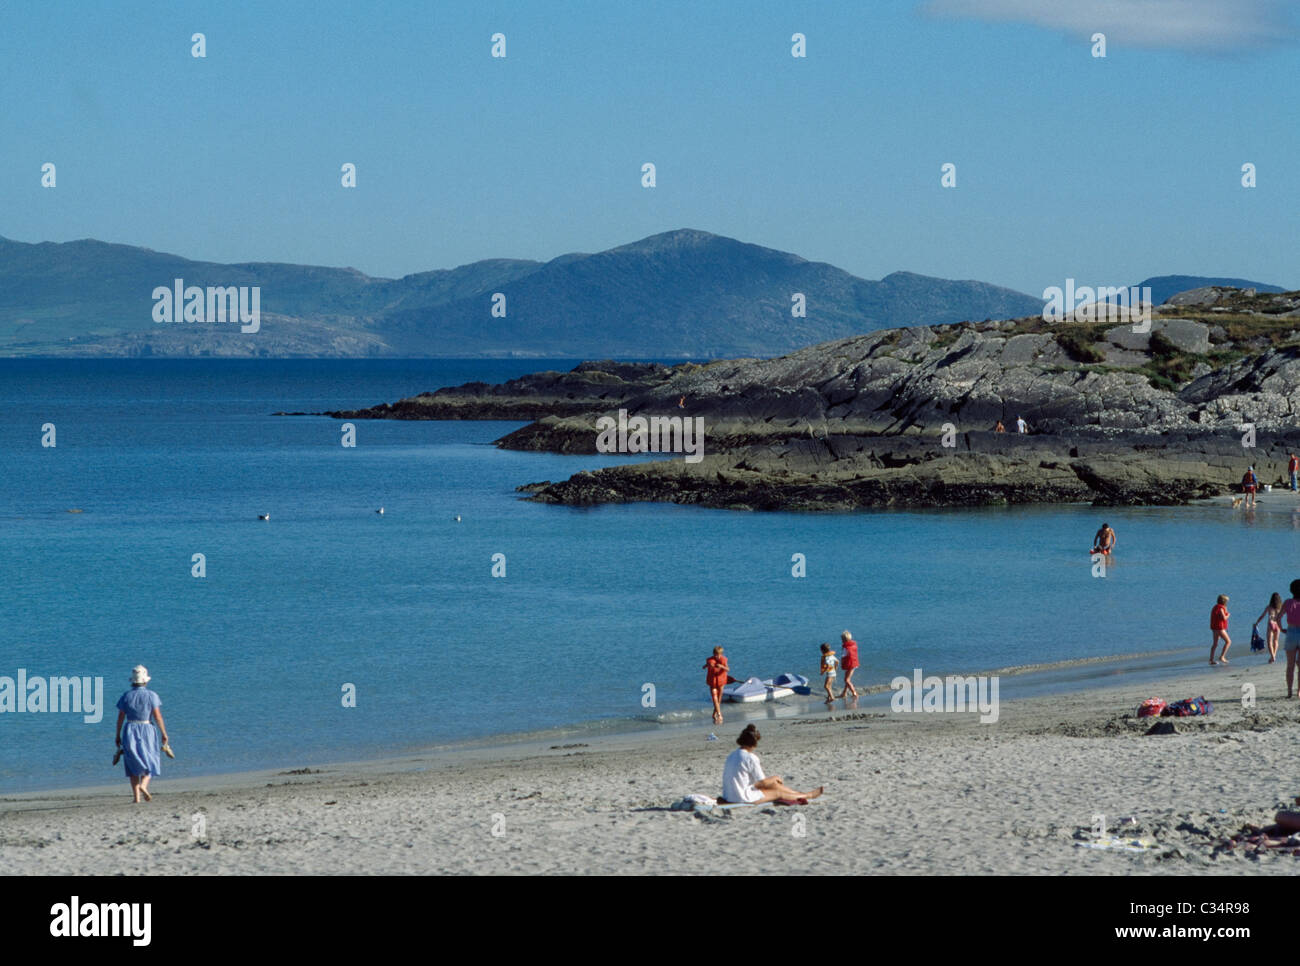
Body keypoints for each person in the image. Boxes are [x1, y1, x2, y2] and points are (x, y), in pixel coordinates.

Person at [719, 724, 823, 805]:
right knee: (778, 792)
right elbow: (763, 783)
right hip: (742, 797)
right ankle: (807, 795)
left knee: (774, 784)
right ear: (754, 743)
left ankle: (798, 794)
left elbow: (756, 783)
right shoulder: (750, 758)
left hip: (729, 795)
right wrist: (774, 778)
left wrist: (773, 781)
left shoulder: (731, 755)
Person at [114, 665, 170, 803]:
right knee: (150, 760)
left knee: (132, 762)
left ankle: (136, 798)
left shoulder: (126, 696)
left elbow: (120, 717)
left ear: (132, 681)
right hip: (147, 728)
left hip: (130, 729)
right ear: (145, 681)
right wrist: (164, 733)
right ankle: (144, 785)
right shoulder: (152, 695)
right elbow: (158, 717)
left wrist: (117, 734)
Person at [703, 646, 734, 725]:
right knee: (714, 697)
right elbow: (707, 664)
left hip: (721, 680)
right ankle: (719, 715)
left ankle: (714, 713)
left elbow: (728, 669)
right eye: (716, 654)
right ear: (713, 654)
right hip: (712, 681)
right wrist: (706, 666)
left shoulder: (723, 660)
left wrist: (722, 666)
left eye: (719, 654)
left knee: (719, 699)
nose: (718, 656)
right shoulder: (710, 660)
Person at [1281, 580, 1300, 698]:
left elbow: (1278, 617)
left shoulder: (1288, 602)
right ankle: (1299, 691)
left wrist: (1281, 629)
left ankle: (1289, 691)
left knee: (1290, 665)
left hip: (1291, 632)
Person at [1253, 593, 1284, 664]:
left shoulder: (1269, 607)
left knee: (1269, 642)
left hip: (1271, 624)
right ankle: (1274, 655)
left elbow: (1262, 616)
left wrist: (1257, 622)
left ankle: (1273, 656)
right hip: (1277, 624)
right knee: (1276, 641)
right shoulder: (1280, 607)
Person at [837, 630, 859, 699]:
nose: (842, 641)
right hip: (854, 663)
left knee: (846, 680)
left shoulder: (846, 648)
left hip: (851, 664)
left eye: (842, 639)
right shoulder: (854, 645)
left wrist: (841, 664)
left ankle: (854, 693)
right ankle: (844, 693)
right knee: (847, 679)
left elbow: (843, 657)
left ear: (844, 639)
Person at [1210, 596, 1231, 665]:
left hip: (1215, 628)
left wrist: (1226, 610)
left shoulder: (1215, 607)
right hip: (1220, 628)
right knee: (1228, 642)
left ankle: (1211, 659)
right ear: (1224, 601)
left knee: (1215, 644)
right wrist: (1228, 614)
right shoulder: (1220, 608)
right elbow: (1224, 618)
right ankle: (1222, 656)